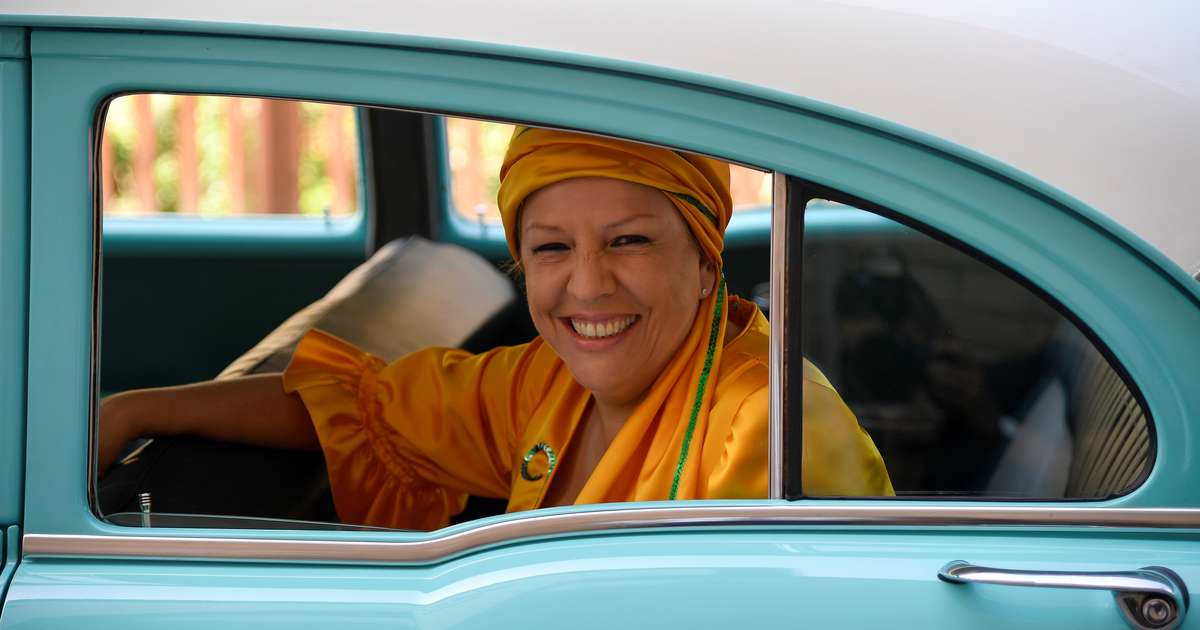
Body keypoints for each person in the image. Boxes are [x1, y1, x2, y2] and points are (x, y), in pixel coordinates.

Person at [100, 127, 893, 530]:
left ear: (707, 265)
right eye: (552, 248)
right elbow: (360, 406)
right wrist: (133, 412)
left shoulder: (775, 423)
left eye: (629, 241)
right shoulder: (542, 384)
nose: (586, 285)